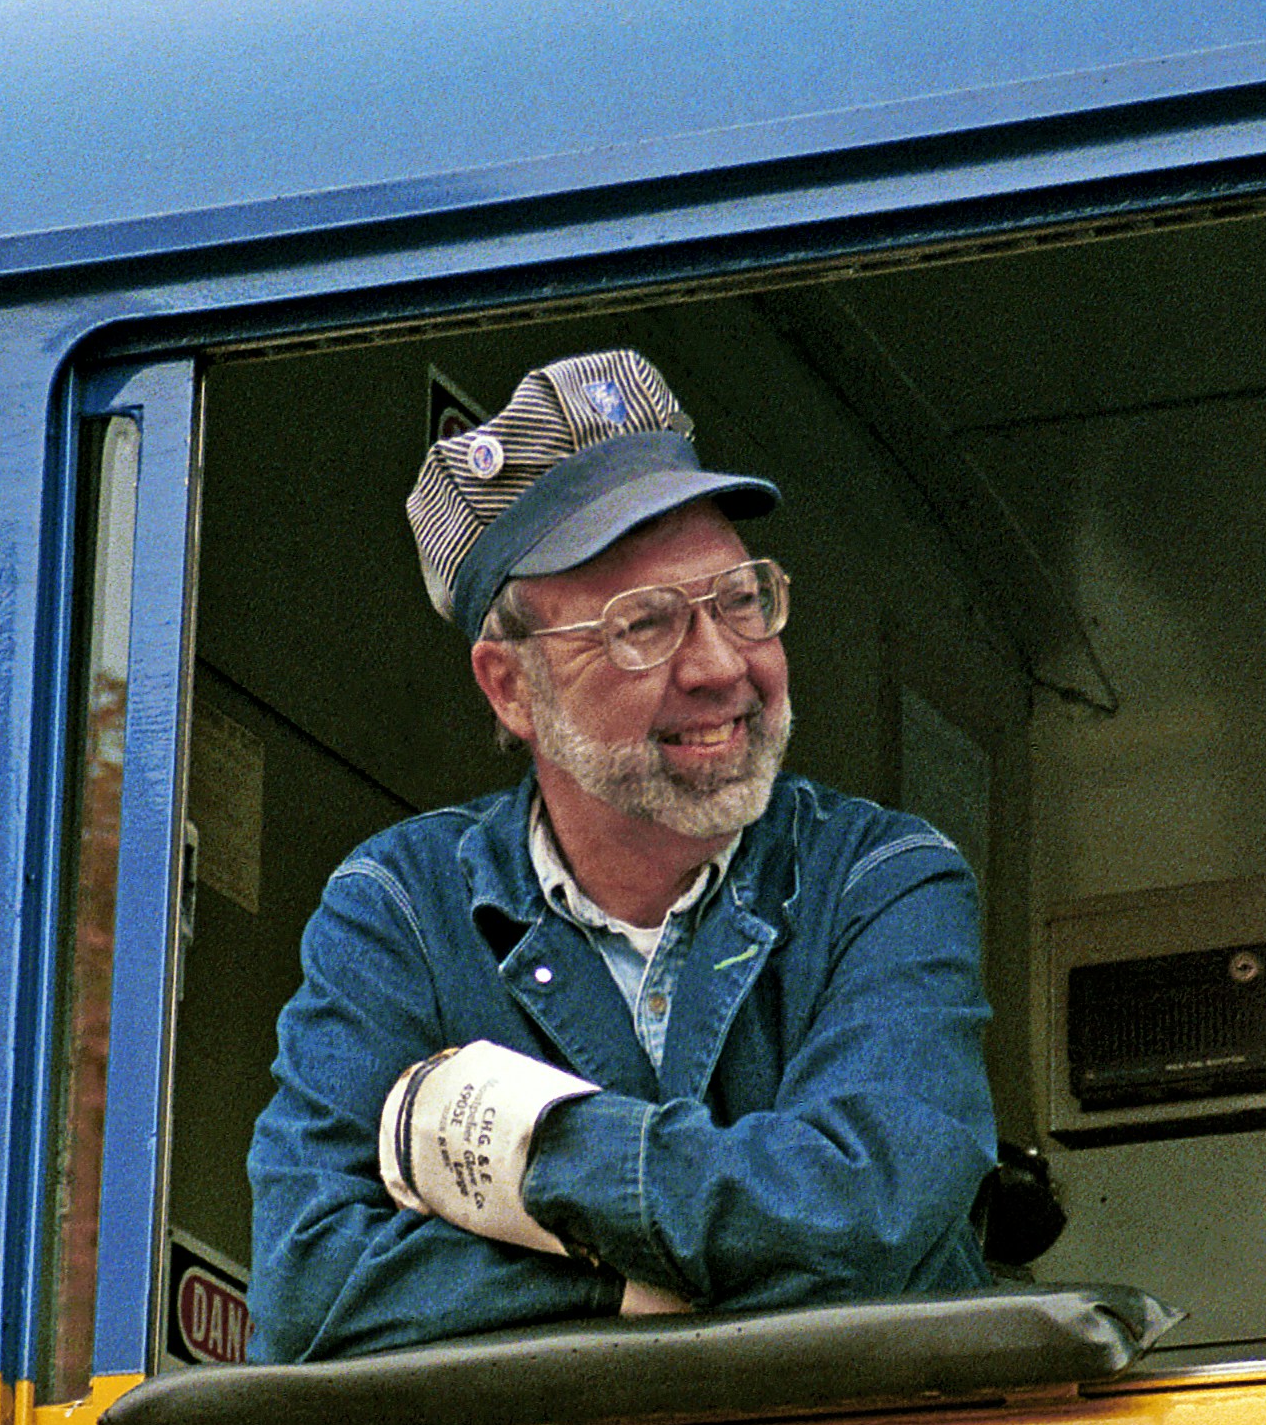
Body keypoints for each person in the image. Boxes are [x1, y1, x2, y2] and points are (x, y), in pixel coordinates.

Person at [247, 349, 997, 1362]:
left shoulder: (882, 874)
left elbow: (870, 1213)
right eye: (643, 625)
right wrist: (639, 1291)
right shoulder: (399, 908)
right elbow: (311, 1289)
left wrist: (520, 1143)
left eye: (740, 599)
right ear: (510, 687)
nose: (722, 664)